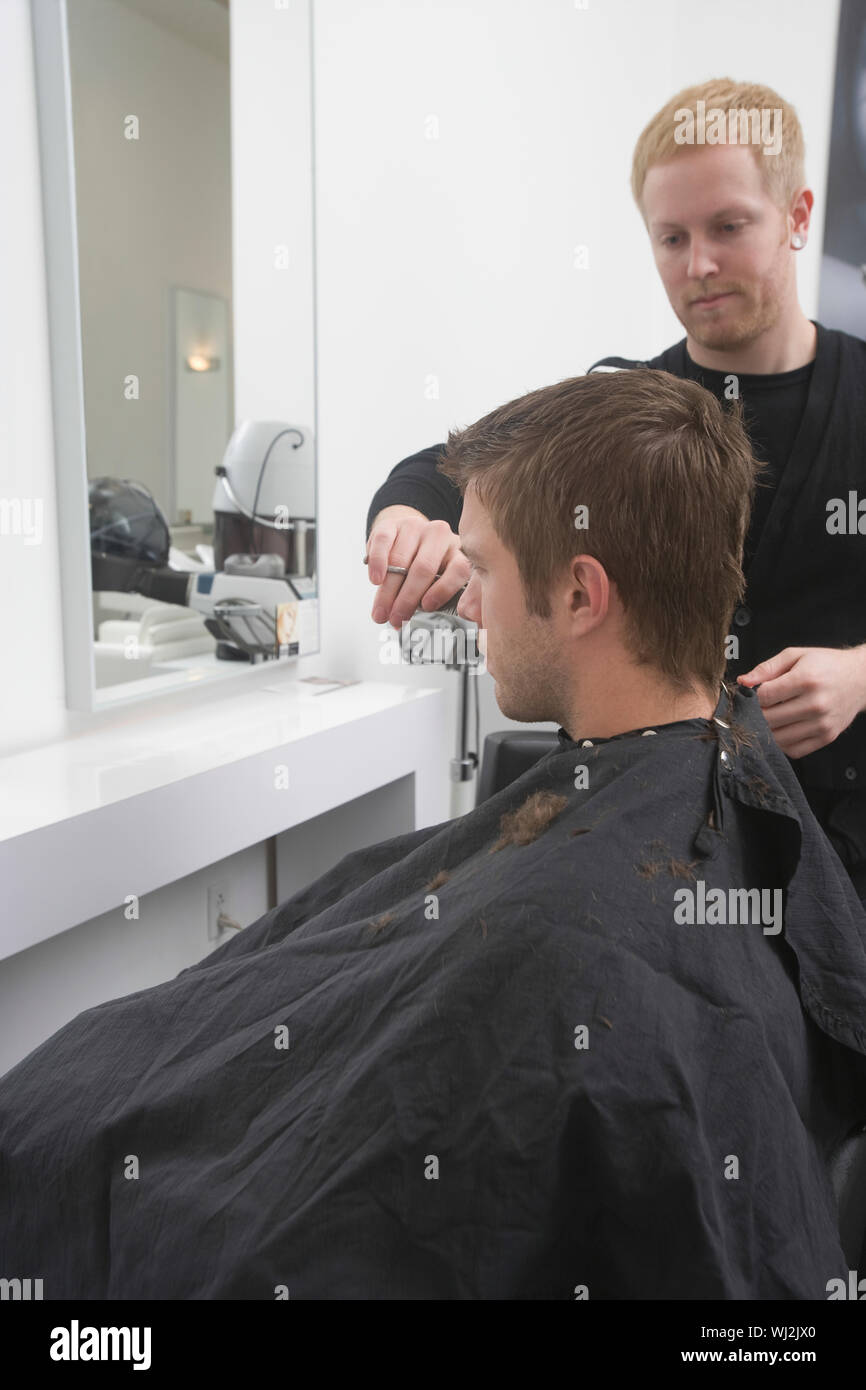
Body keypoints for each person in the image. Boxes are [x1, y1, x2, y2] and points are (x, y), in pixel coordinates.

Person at [2, 369, 866, 1300]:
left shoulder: (580, 944)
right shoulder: (721, 775)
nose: (467, 599)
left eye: (484, 568)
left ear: (581, 596)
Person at [365, 78, 866, 904]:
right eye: (670, 238)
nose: (698, 264)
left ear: (798, 216)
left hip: (835, 864)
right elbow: (446, 468)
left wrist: (857, 675)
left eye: (728, 227)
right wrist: (406, 518)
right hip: (636, 849)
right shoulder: (626, 413)